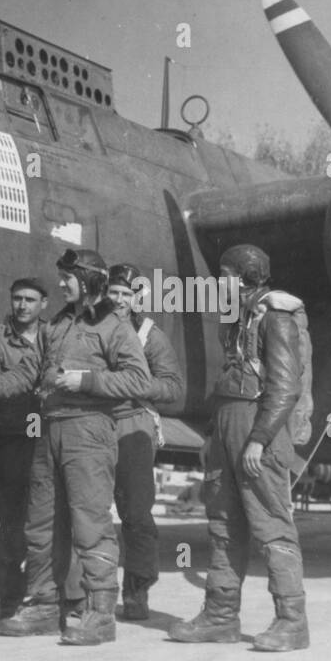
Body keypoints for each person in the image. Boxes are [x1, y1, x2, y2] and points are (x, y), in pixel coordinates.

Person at [0, 248, 151, 645]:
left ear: (89, 279)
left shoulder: (114, 326)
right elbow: (29, 371)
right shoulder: (56, 325)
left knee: (91, 524)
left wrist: (85, 381)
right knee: (41, 524)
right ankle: (43, 604)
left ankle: (100, 613)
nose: (60, 284)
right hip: (50, 431)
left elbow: (138, 380)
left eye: (67, 278)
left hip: (88, 433)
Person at [168, 243, 311, 652]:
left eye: (225, 275)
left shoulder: (275, 317)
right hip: (229, 425)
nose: (218, 282)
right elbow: (230, 383)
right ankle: (220, 616)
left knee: (271, 526)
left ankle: (291, 622)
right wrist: (214, 436)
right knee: (224, 527)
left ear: (245, 276)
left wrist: (259, 439)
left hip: (257, 426)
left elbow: (284, 388)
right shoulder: (237, 318)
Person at [93, 262, 183, 620]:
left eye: (125, 294)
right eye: (113, 293)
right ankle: (90, 592)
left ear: (138, 297)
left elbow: (174, 387)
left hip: (133, 424)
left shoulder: (150, 335)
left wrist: (134, 384)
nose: (118, 300)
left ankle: (137, 593)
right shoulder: (90, 326)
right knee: (89, 510)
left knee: (136, 514)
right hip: (94, 423)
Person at [0, 277, 49, 620]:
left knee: (45, 524)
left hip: (47, 441)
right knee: (11, 527)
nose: (22, 305)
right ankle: (9, 601)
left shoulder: (55, 338)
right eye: (17, 298)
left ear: (43, 304)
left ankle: (43, 597)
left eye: (30, 299)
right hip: (11, 443)